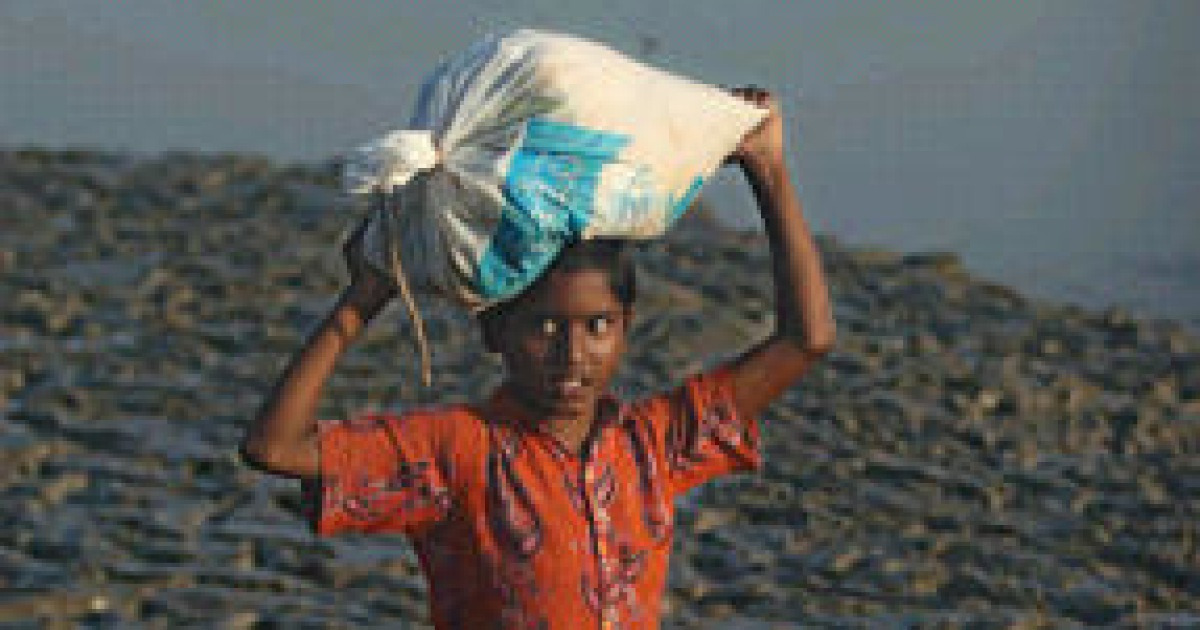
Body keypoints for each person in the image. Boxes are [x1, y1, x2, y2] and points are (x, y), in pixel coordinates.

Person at [241, 86, 835, 629]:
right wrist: (364, 297)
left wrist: (768, 170)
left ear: (626, 327)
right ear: (495, 332)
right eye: (544, 327)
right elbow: (275, 449)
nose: (572, 355)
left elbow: (805, 341)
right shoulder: (459, 451)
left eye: (597, 326)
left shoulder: (652, 447)